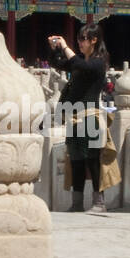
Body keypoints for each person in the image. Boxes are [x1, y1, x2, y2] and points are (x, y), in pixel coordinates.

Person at [49, 23, 110, 213]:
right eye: (79, 39)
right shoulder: (81, 61)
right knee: (75, 159)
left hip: (90, 116)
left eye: (84, 39)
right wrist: (55, 50)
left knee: (92, 159)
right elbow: (58, 64)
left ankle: (99, 202)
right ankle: (77, 202)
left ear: (94, 40)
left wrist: (66, 47)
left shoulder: (98, 62)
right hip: (74, 117)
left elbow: (79, 64)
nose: (80, 42)